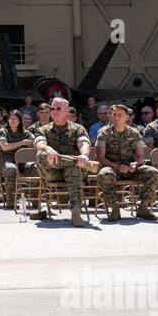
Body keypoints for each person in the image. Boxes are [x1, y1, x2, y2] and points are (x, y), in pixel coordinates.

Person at [94, 104, 158, 221]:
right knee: (104, 174)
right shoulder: (103, 133)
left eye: (120, 115)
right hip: (111, 167)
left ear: (127, 117)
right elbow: (100, 157)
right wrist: (116, 166)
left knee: (153, 172)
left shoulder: (134, 133)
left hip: (130, 168)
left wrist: (135, 164)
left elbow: (140, 156)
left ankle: (143, 207)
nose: (116, 117)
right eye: (114, 114)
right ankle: (114, 208)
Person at [33, 97, 92, 227]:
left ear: (67, 112)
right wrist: (48, 149)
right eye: (52, 108)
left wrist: (84, 155)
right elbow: (39, 143)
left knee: (74, 170)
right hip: (51, 171)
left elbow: (83, 143)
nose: (54, 111)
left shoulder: (78, 129)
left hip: (71, 172)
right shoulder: (43, 129)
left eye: (58, 108)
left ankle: (75, 213)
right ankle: (74, 161)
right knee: (41, 155)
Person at [0, 110, 36, 210]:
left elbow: (34, 141)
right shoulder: (3, 131)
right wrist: (21, 143)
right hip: (8, 160)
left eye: (15, 119)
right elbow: (4, 147)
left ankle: (35, 198)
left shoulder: (25, 132)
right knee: (10, 168)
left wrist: (32, 143)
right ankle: (10, 198)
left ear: (19, 121)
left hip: (23, 162)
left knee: (35, 167)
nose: (12, 120)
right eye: (10, 118)